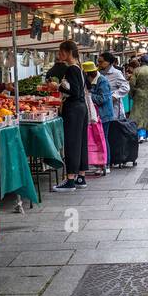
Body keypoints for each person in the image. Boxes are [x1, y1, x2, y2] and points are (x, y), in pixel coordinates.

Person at [45, 40, 88, 191]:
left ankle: (70, 179)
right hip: (81, 108)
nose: (59, 54)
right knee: (81, 142)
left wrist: (57, 86)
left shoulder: (71, 69)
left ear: (69, 52)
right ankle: (81, 177)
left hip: (74, 108)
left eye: (61, 52)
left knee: (72, 143)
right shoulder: (79, 67)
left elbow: (75, 91)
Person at [84, 60, 114, 176]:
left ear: (89, 74)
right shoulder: (94, 80)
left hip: (104, 115)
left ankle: (106, 163)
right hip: (97, 115)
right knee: (99, 139)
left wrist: (89, 95)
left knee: (103, 139)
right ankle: (100, 163)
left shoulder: (102, 81)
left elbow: (103, 99)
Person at [128, 56, 148, 140]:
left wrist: (132, 94)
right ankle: (146, 134)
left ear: (140, 62)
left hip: (139, 95)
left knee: (137, 114)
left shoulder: (136, 70)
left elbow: (132, 83)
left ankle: (140, 134)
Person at [98, 52, 129, 120]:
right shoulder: (99, 73)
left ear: (108, 62)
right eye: (98, 62)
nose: (99, 64)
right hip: (101, 107)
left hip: (113, 108)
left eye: (101, 62)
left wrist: (114, 96)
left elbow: (126, 87)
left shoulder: (116, 73)